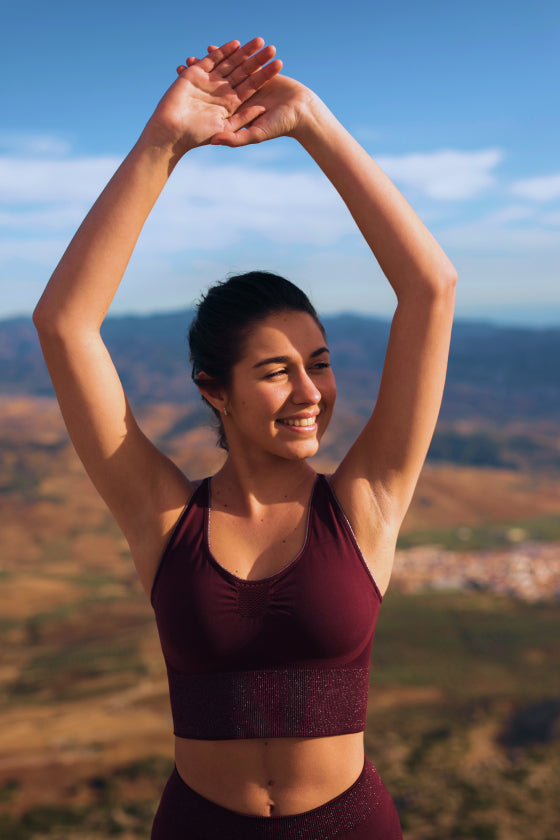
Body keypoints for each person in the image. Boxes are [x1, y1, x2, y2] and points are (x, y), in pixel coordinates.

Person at [33, 36, 457, 840]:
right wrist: (163, 144)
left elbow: (431, 289)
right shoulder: (161, 516)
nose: (311, 393)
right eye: (276, 371)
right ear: (213, 392)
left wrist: (314, 125)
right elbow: (65, 324)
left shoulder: (366, 502)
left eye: (320, 364)